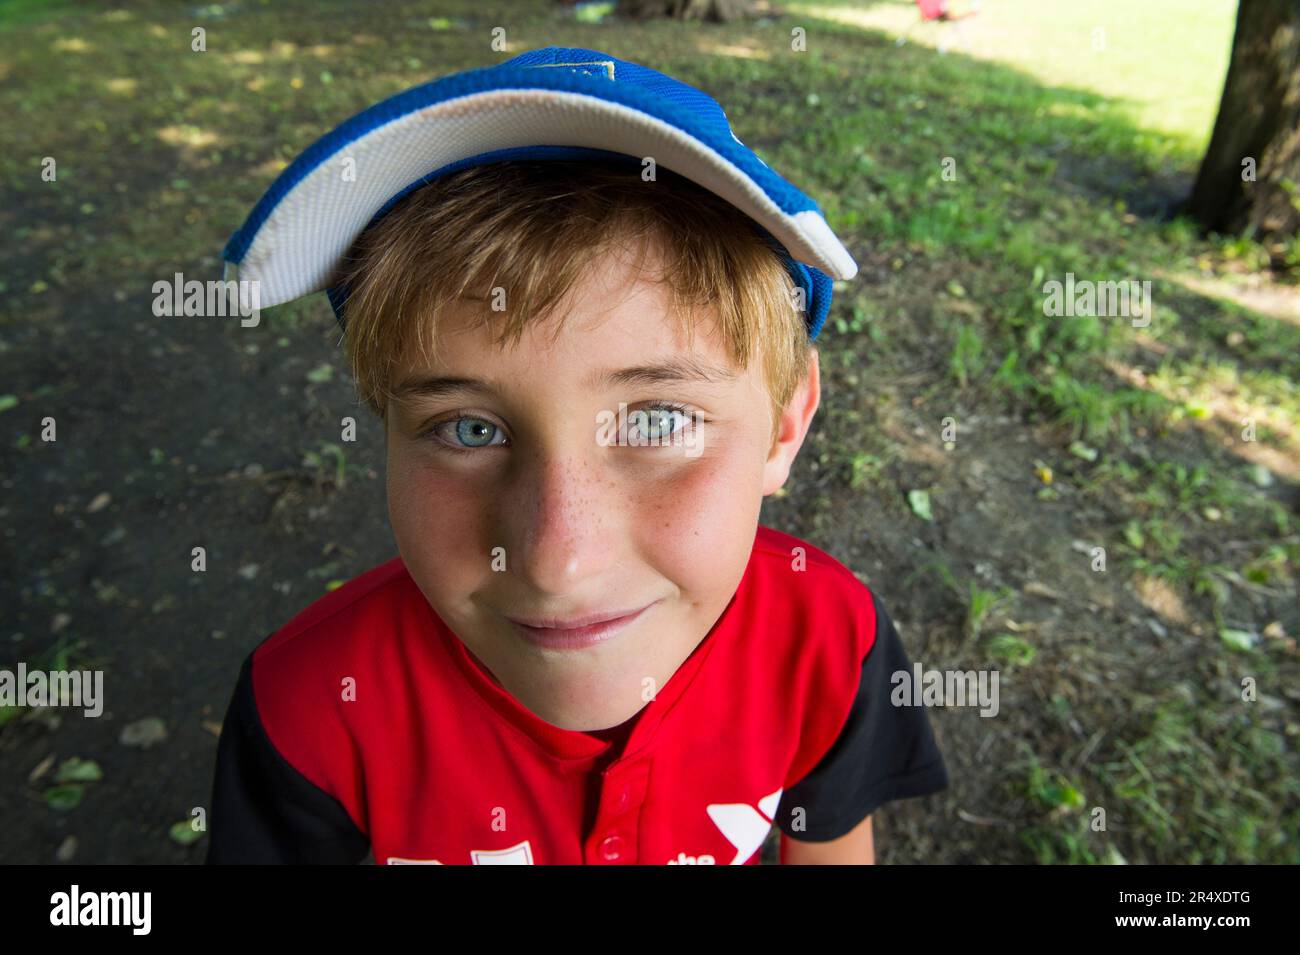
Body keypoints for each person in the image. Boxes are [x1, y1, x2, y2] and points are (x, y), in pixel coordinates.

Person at [205, 45, 948, 865]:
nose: (558, 560)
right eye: (469, 428)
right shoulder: (305, 710)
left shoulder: (827, 640)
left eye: (658, 419)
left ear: (784, 423)